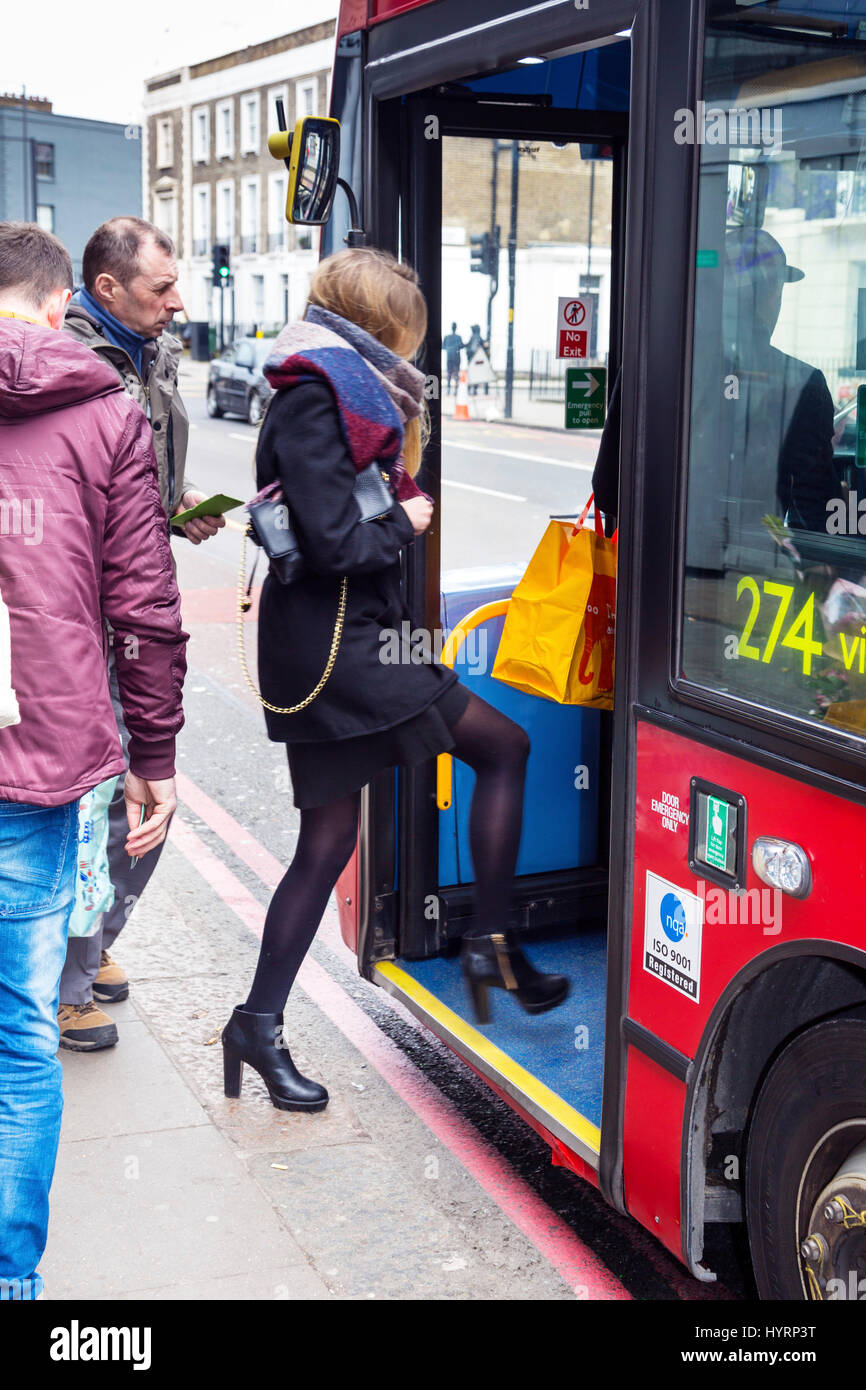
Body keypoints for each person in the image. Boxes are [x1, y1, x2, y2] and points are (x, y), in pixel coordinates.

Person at [221, 248, 567, 1111]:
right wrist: (409, 521)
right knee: (504, 745)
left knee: (328, 842)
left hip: (355, 640)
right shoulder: (315, 400)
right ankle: (487, 943)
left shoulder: (348, 395)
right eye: (409, 329)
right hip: (340, 650)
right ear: (384, 329)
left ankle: (256, 1025)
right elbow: (337, 544)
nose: (416, 348)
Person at [0, 221, 187, 1300]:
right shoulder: (106, 413)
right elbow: (144, 609)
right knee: (18, 1033)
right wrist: (152, 753)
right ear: (63, 298)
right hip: (38, 751)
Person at [57, 217, 222, 1052]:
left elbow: (139, 471)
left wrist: (177, 503)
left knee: (133, 792)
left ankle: (89, 946)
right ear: (109, 288)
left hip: (133, 588)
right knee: (118, 797)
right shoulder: (72, 363)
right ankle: (63, 982)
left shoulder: (148, 351)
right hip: (89, 613)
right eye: (162, 288)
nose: (177, 301)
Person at [442, 321, 464, 394]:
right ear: (455, 328)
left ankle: (449, 389)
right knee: (456, 373)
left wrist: (449, 348)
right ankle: (455, 390)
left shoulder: (447, 337)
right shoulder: (458, 337)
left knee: (449, 373)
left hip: (449, 356)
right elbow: (461, 346)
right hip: (456, 357)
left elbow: (443, 346)